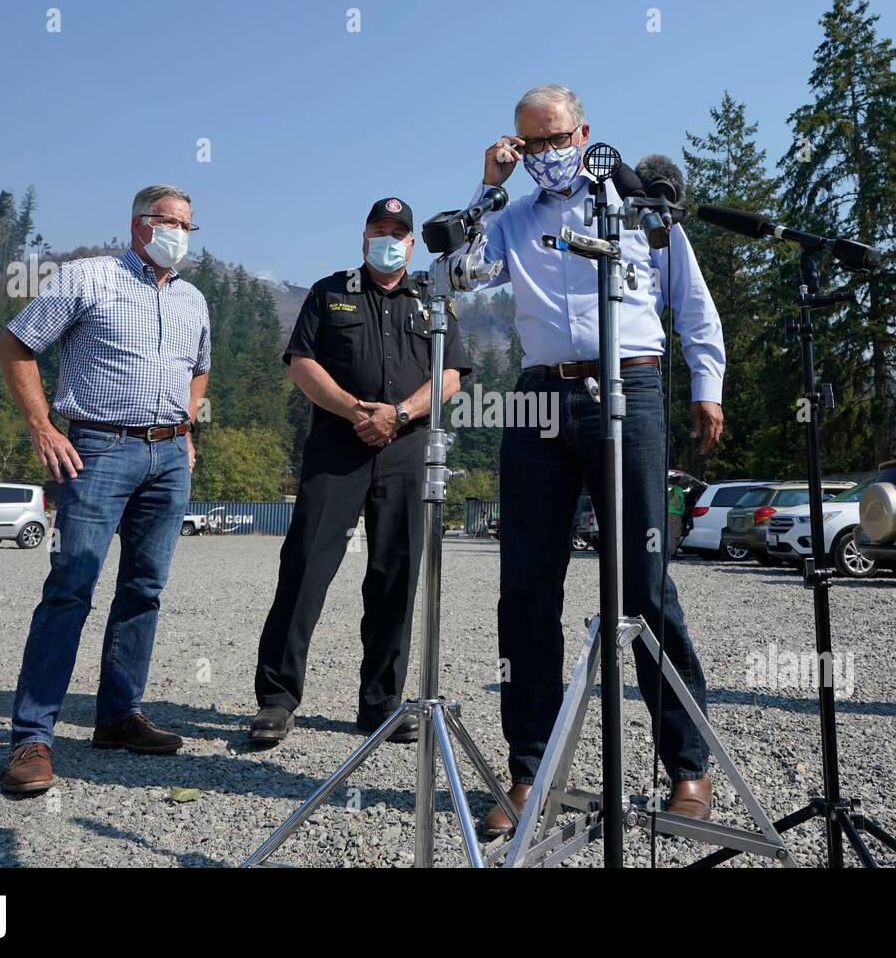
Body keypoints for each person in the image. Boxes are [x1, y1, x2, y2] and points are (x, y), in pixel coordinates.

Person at [472, 85, 727, 834]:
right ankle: (531, 773)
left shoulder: (640, 206)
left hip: (633, 383)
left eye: (556, 139)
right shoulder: (511, 219)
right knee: (525, 585)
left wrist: (706, 386)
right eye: (529, 145)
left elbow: (693, 300)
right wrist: (488, 188)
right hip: (540, 396)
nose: (546, 155)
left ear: (583, 132)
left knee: (643, 584)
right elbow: (459, 276)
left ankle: (688, 768)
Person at [0, 184, 209, 793]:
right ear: (138, 224)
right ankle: (32, 738)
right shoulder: (87, 279)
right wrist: (41, 425)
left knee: (144, 588)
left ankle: (118, 717)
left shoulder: (194, 299)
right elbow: (16, 344)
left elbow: (200, 368)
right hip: (97, 449)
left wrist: (186, 427)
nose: (177, 232)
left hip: (168, 455)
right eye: (167, 220)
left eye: (187, 225)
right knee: (71, 587)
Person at [248, 197, 471, 746]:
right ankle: (277, 700)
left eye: (398, 232)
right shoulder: (329, 292)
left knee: (396, 575)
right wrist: (356, 411)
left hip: (406, 450)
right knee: (304, 567)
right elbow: (302, 364)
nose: (388, 238)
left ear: (413, 243)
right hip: (336, 447)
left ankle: (381, 704)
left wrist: (396, 415)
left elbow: (451, 376)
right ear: (363, 237)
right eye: (379, 229)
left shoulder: (433, 300)